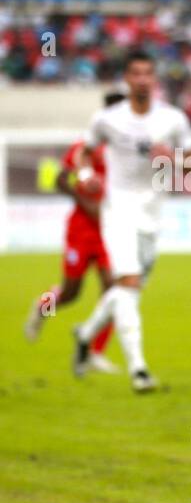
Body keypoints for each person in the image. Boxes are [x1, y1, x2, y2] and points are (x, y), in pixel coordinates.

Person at [72, 51, 191, 392]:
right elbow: (84, 150)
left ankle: (85, 334)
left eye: (147, 74)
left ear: (154, 80)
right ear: (127, 79)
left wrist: (173, 158)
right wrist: (84, 175)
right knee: (127, 282)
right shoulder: (107, 118)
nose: (141, 79)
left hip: (152, 214)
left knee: (130, 289)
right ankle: (139, 370)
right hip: (118, 210)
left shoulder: (173, 119)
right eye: (135, 73)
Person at [24, 90, 123, 371]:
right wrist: (86, 202)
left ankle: (93, 352)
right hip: (81, 229)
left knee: (115, 293)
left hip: (111, 232)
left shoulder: (125, 152)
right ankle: (41, 309)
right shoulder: (84, 148)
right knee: (69, 293)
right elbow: (59, 179)